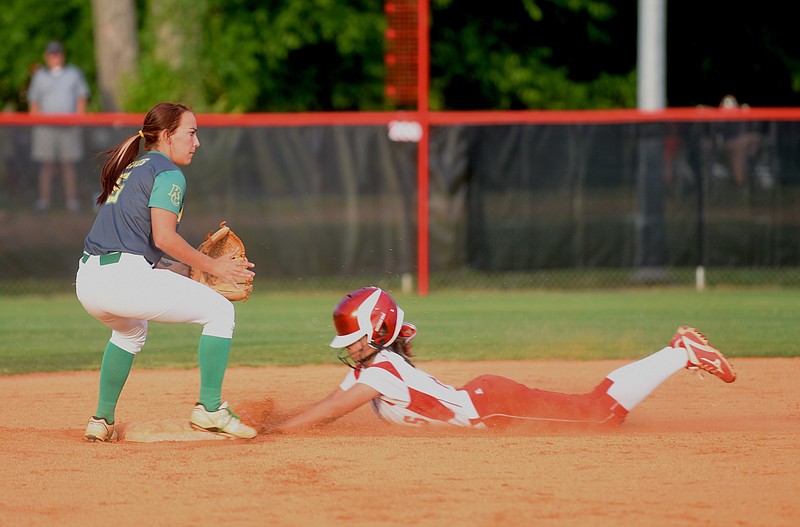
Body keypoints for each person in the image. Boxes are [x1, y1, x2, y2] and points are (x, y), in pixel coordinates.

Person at [262, 287, 736, 433]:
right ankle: (677, 352)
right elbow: (326, 405)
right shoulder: (373, 369)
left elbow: (329, 412)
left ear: (380, 331)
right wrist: (272, 422)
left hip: (492, 407)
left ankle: (680, 351)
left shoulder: (383, 372)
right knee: (592, 409)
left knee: (599, 413)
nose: (349, 347)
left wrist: (273, 434)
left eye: (355, 338)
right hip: (487, 401)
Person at [76, 102, 257, 442]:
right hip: (123, 281)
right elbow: (164, 238)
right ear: (167, 135)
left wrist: (183, 267)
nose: (196, 142)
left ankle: (101, 419)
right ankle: (210, 409)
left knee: (130, 333)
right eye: (191, 133)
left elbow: (135, 244)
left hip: (88, 280)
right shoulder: (169, 174)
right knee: (220, 312)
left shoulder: (135, 168)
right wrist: (213, 266)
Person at [27, 40, 90, 213]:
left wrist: (79, 119)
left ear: (62, 55)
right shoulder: (39, 76)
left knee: (68, 165)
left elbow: (81, 98)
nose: (55, 57)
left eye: (58, 53)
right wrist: (35, 123)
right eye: (52, 54)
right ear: (46, 56)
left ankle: (71, 201)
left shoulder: (73, 74)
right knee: (46, 166)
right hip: (45, 128)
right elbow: (34, 102)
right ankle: (44, 201)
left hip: (69, 127)